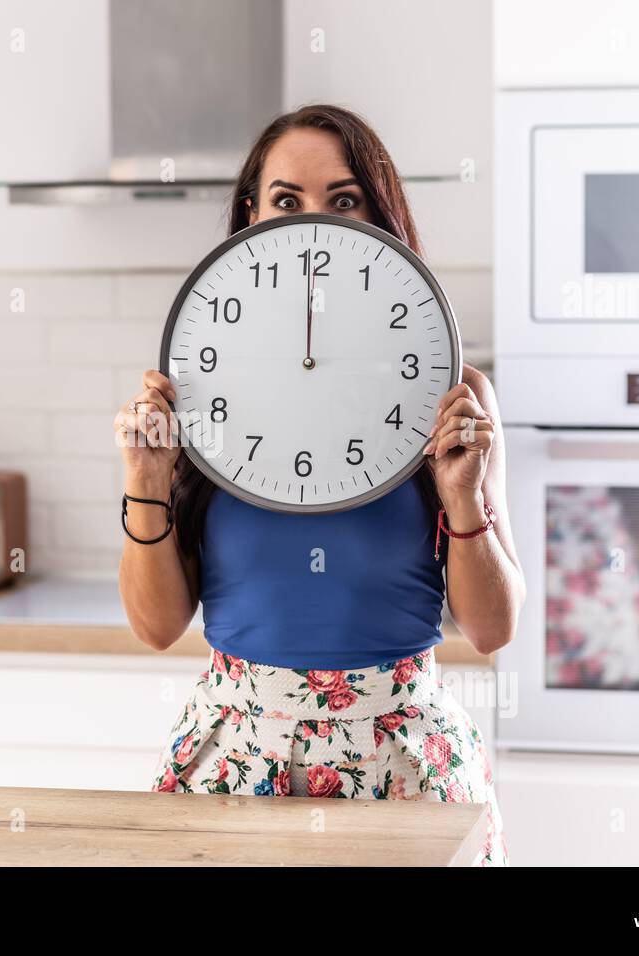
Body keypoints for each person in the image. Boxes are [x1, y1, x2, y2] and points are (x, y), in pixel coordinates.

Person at [113, 105, 524, 865]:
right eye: (285, 201)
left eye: (342, 200)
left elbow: (493, 629)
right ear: (251, 217)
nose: (312, 229)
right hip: (234, 760)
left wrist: (463, 497)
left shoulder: (449, 395)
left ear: (378, 212)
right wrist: (146, 477)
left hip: (402, 766)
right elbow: (157, 627)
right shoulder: (199, 398)